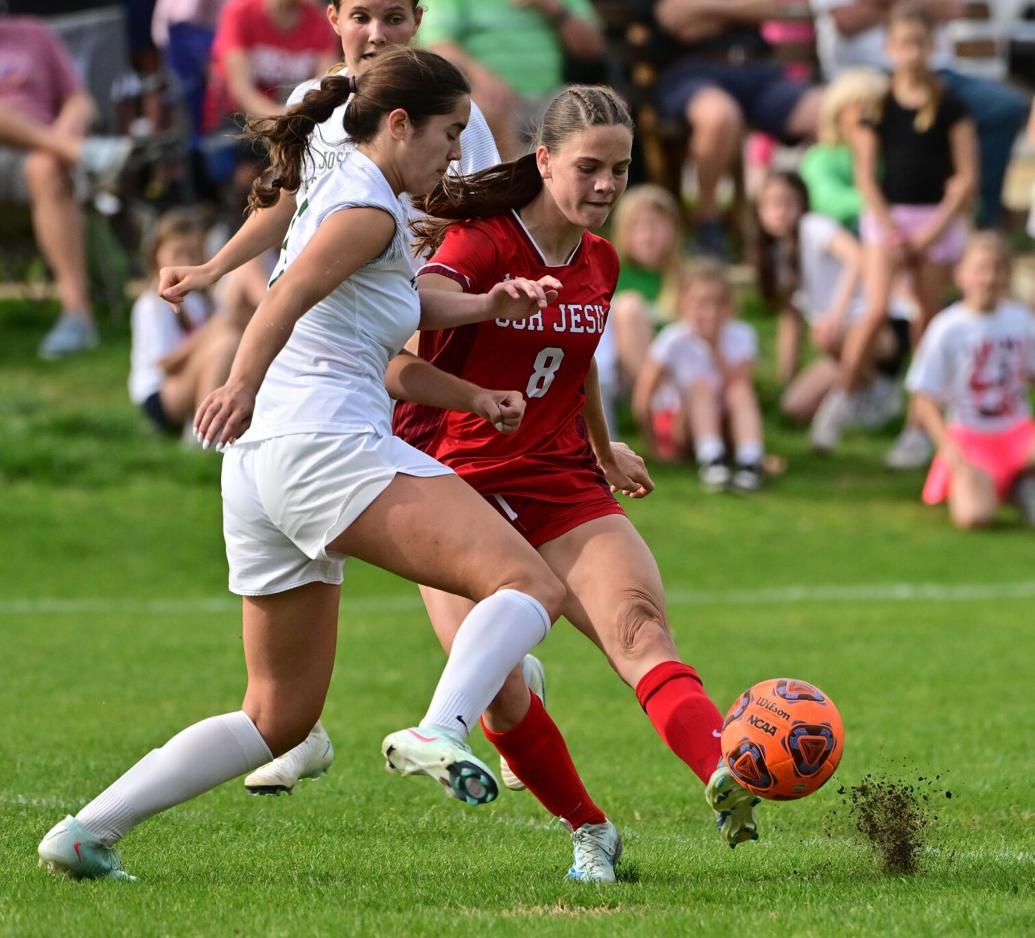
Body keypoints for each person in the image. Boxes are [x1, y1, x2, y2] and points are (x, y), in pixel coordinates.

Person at [37, 48, 570, 882]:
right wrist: (238, 384)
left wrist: (482, 303)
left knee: (278, 717)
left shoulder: (355, 192)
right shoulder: (369, 210)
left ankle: (87, 832)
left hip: (261, 470)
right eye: (449, 133)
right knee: (529, 585)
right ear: (398, 125)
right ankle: (440, 728)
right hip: (321, 443)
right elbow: (283, 298)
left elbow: (388, 296)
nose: (457, 154)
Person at [393, 84, 762, 882]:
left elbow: (578, 352)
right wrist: (490, 300)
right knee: (492, 690)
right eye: (588, 167)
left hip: (558, 476)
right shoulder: (484, 241)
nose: (604, 186)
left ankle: (720, 773)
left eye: (620, 171)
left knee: (639, 632)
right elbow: (416, 304)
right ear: (544, 159)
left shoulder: (599, 259)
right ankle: (591, 832)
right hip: (454, 482)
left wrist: (602, 445)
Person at [155, 0, 506, 797]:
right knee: (491, 569)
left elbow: (478, 214)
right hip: (337, 374)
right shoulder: (324, 116)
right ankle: (472, 709)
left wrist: (479, 300)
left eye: (394, 17)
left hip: (404, 319)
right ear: (332, 18)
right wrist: (213, 272)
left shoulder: (448, 108)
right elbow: (283, 216)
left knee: (453, 539)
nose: (377, 33)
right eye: (362, 17)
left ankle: (470, 702)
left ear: (418, 20)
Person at [811, 2, 978, 463]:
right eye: (905, 45)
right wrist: (888, 227)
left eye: (922, 45)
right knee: (877, 307)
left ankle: (919, 425)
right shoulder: (880, 105)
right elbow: (866, 174)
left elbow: (965, 176)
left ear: (934, 46)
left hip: (934, 222)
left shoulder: (950, 105)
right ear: (890, 48)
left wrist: (932, 231)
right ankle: (839, 402)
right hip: (889, 219)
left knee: (926, 318)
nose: (913, 54)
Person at [809, 0, 1028, 228]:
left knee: (1005, 107)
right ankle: (885, 210)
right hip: (867, 74)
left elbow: (954, 9)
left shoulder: (948, 100)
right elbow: (847, 19)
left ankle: (980, 217)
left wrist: (879, 7)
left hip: (938, 73)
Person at [637, 0, 822, 256]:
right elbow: (673, 17)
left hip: (758, 70)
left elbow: (774, 8)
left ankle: (817, 221)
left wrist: (703, 9)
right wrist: (737, 11)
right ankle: (708, 224)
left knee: (829, 112)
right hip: (689, 74)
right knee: (720, 117)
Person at [0, 15, 133, 358]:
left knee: (49, 170)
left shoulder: (33, 34)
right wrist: (68, 146)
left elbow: (81, 100)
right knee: (55, 158)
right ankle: (81, 154)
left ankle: (77, 316)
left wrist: (63, 133)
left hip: (35, 160)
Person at [754, 170, 904, 429]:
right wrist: (785, 379)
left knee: (826, 335)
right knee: (795, 407)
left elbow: (858, 257)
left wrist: (836, 313)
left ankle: (881, 395)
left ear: (801, 204)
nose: (779, 212)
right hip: (836, 345)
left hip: (878, 332)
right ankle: (861, 399)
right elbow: (790, 324)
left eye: (786, 202)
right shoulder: (778, 257)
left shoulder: (814, 227)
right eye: (770, 204)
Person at [907, 232, 1035, 529]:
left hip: (1017, 431)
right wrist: (947, 449)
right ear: (961, 274)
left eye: (997, 269)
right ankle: (1005, 486)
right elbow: (923, 397)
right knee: (974, 517)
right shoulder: (947, 327)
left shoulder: (1021, 320)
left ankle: (1021, 482)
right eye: (981, 269)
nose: (989, 279)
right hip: (970, 437)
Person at [633, 260, 766, 491]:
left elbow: (740, 383)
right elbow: (643, 396)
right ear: (685, 304)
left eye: (719, 304)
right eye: (702, 304)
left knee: (739, 390)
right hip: (684, 425)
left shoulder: (742, 334)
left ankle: (750, 460)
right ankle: (711, 459)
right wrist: (653, 446)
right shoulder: (673, 338)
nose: (711, 313)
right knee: (701, 387)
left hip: (727, 424)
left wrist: (714, 347)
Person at [415, 0, 606, 160]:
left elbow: (592, 48)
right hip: (485, 97)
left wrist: (552, 7)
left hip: (553, 97)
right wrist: (481, 78)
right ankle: (520, 196)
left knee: (601, 115)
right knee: (486, 113)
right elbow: (438, 45)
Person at [201, 0, 339, 192]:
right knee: (250, 178)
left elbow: (327, 85)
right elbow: (242, 92)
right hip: (240, 123)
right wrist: (283, 119)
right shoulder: (240, 12)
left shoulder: (319, 20)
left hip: (296, 123)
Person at [129, 208, 245, 437]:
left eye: (194, 253)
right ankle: (205, 431)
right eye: (178, 254)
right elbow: (164, 364)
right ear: (156, 255)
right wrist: (211, 332)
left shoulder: (204, 299)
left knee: (232, 336)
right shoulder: (152, 304)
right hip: (161, 394)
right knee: (226, 343)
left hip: (186, 380)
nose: (186, 262)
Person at [594, 184, 683, 432]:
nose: (647, 236)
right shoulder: (609, 272)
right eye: (636, 227)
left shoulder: (684, 278)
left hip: (678, 369)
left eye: (656, 226)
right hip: (625, 373)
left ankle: (667, 408)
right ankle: (662, 404)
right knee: (629, 306)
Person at [799, 66, 889, 231]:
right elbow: (827, 200)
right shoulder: (820, 157)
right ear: (838, 113)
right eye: (861, 107)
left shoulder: (888, 156)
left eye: (877, 107)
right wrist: (881, 203)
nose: (870, 116)